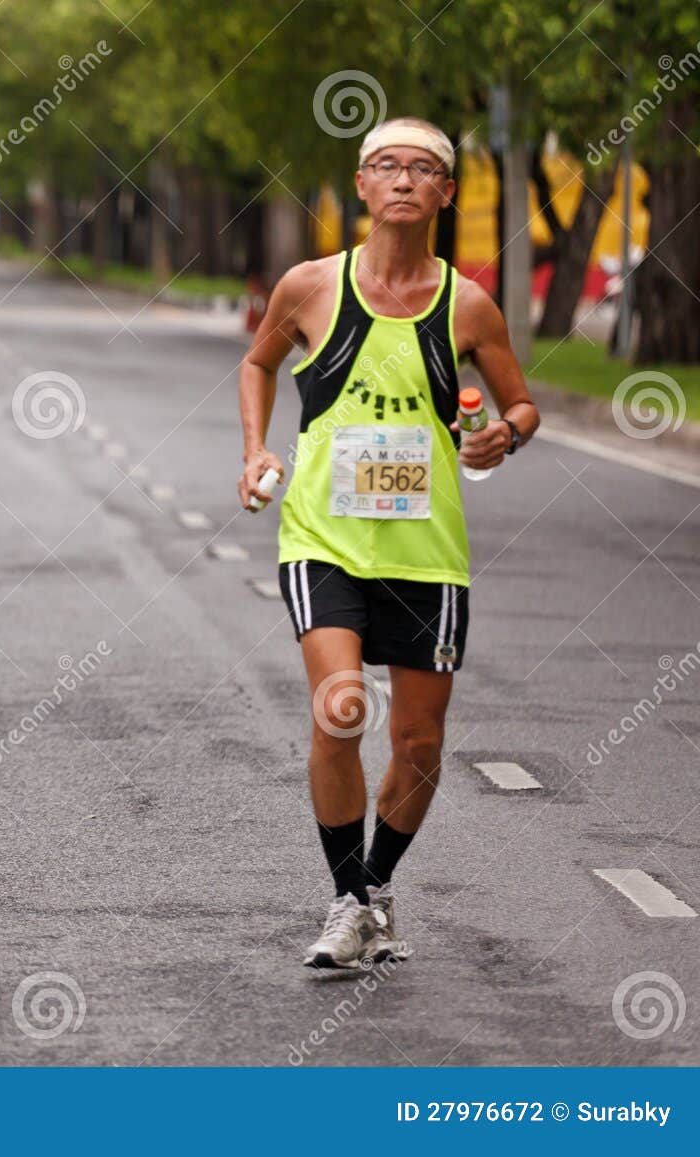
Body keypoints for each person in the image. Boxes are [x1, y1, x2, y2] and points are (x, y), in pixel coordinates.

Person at [236, 119, 539, 968]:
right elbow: (258, 363)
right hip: (322, 539)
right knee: (339, 710)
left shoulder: (467, 305)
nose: (403, 179)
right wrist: (257, 448)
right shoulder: (309, 287)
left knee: (419, 744)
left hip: (426, 554)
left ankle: (375, 887)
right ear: (360, 187)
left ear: (446, 193)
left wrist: (500, 438)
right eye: (385, 167)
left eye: (423, 169)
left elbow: (521, 405)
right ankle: (345, 903)